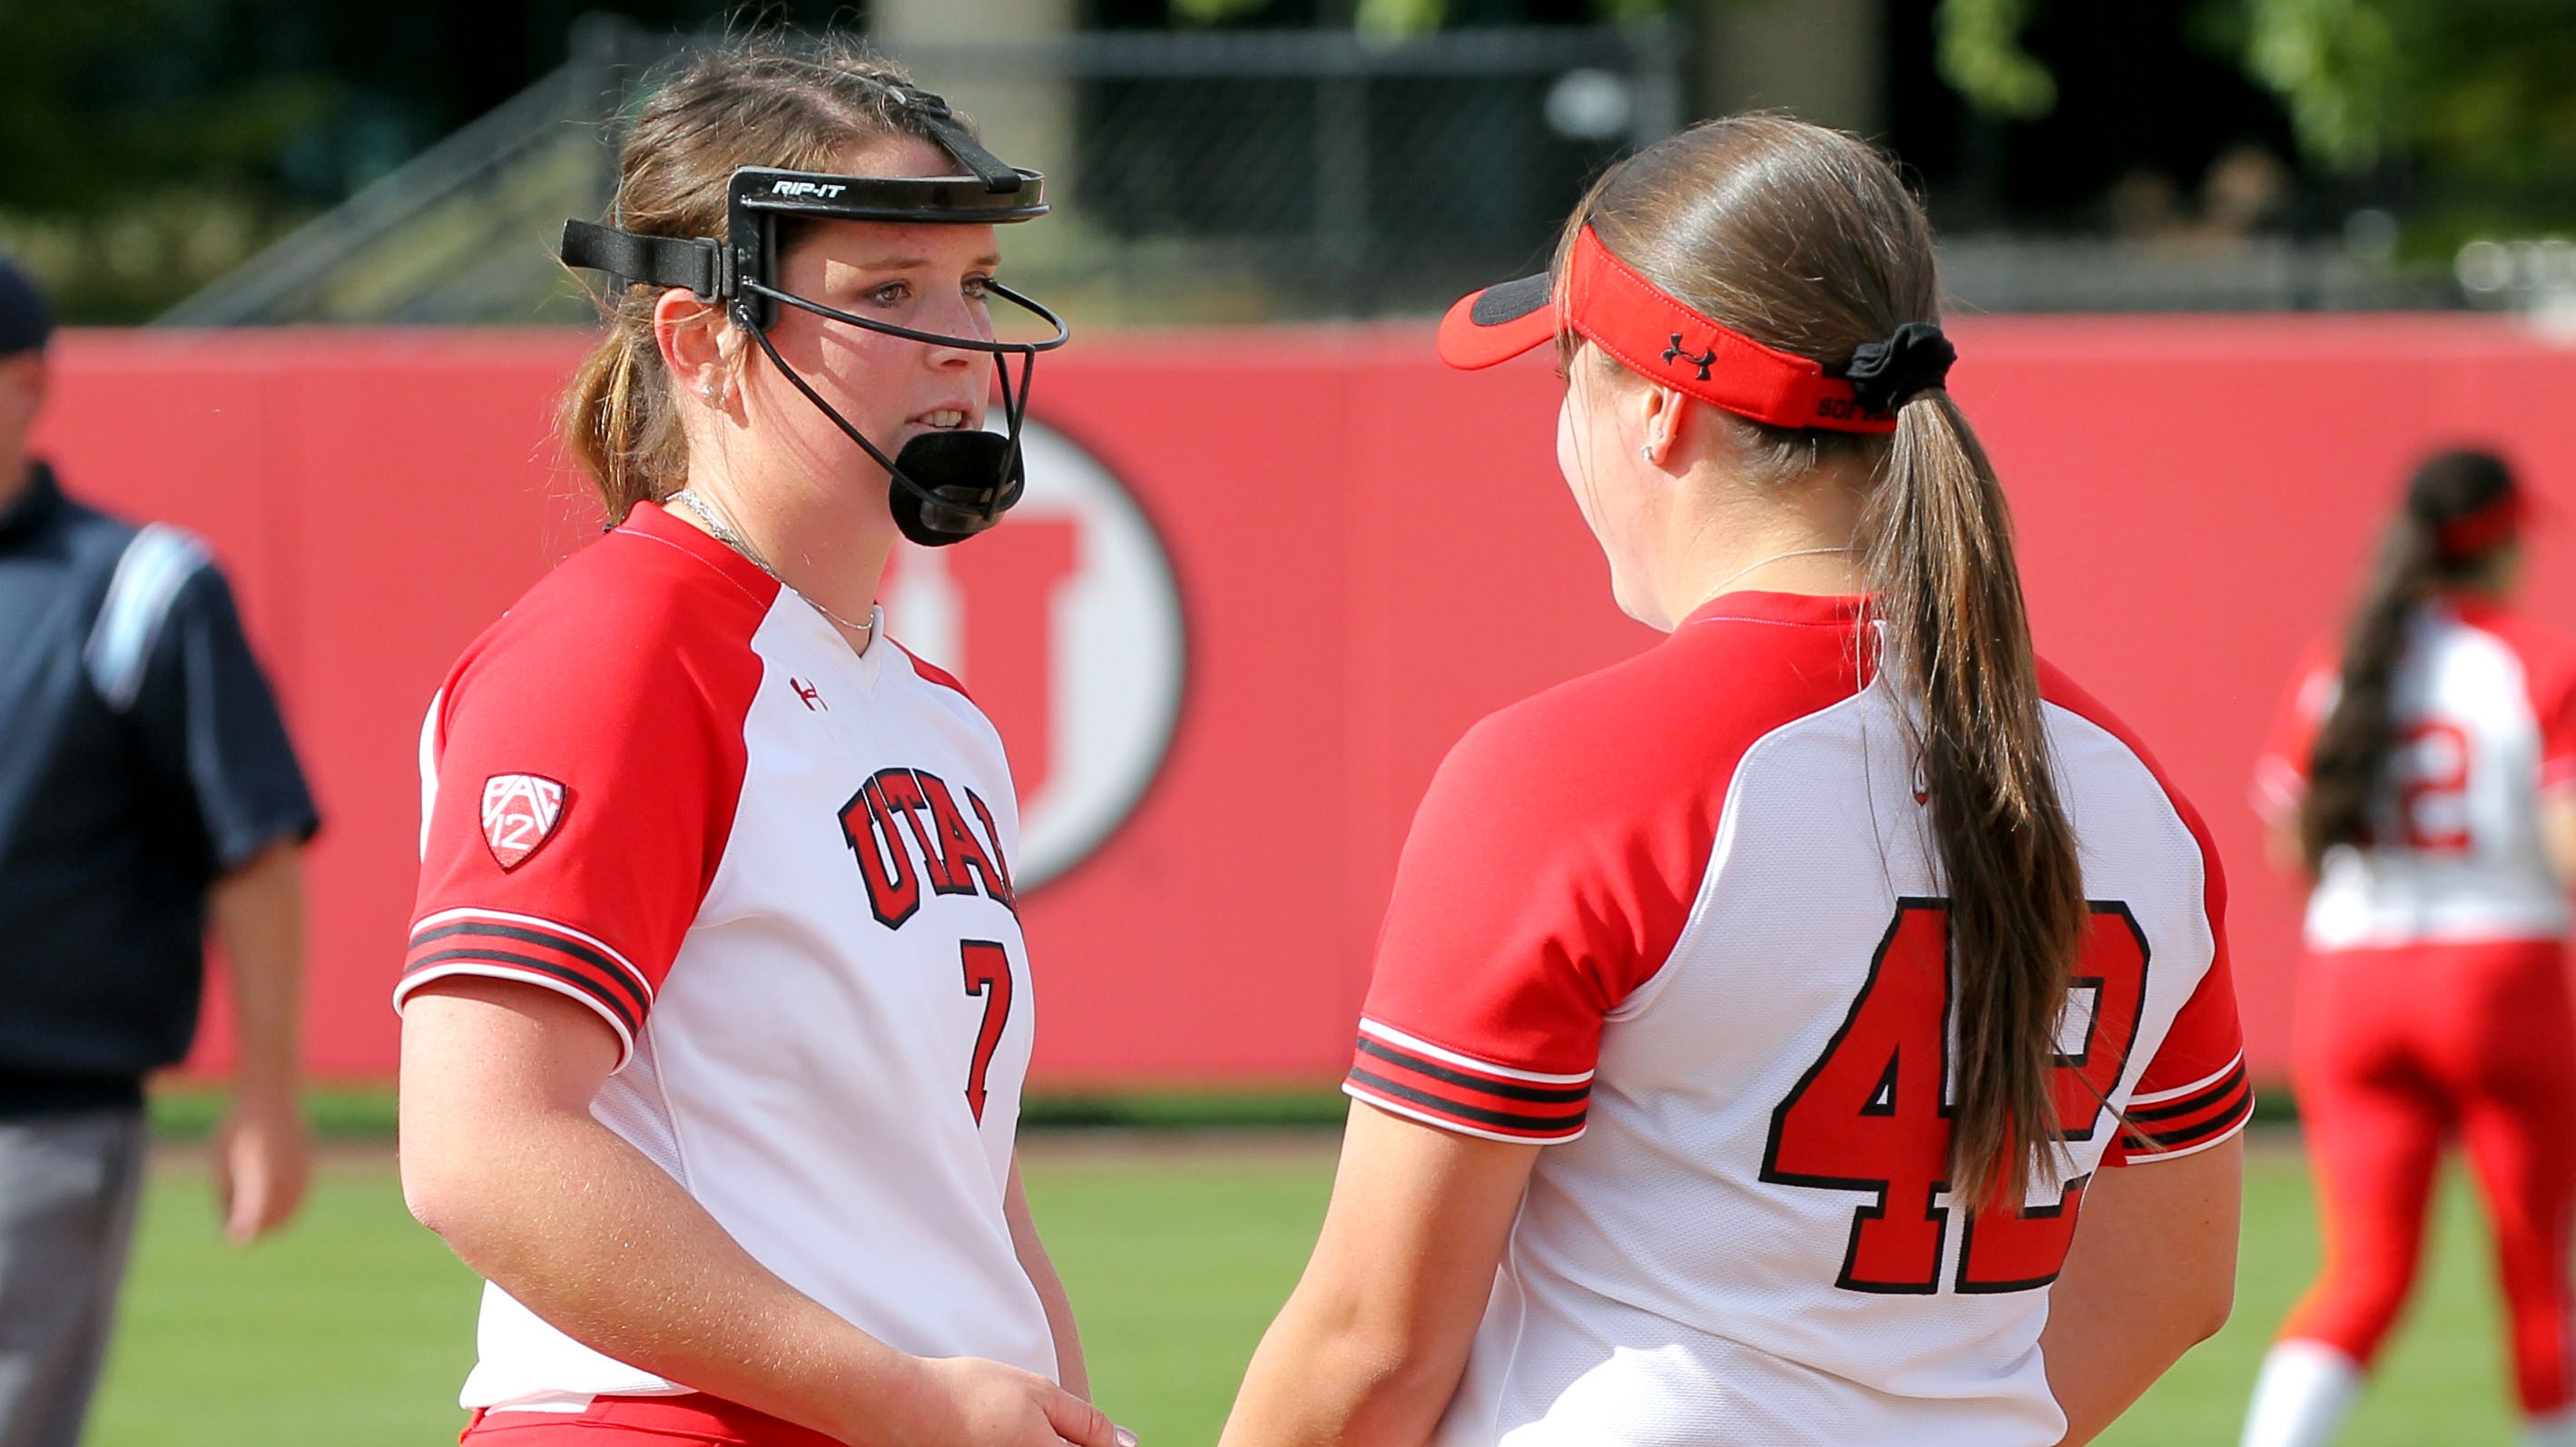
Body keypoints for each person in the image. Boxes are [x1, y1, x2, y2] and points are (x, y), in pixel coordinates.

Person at [1221, 114, 2250, 1447]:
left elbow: (1371, 1345)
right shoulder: (2128, 790)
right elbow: (2170, 1281)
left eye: (1564, 377)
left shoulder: (1567, 776)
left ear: (1655, 408)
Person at [393, 38, 1127, 1447]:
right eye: (886, 292)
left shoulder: (929, 713)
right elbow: (481, 1149)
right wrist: (909, 1400)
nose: (960, 341)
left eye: (970, 285)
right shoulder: (622, 651)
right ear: (701, 339)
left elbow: (960, 1187)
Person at [0, 252, 317, 1446]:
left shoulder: (137, 585)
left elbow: (251, 849)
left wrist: (267, 1090)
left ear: (27, 380)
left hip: (36, 1121)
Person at [2241, 449, 2576, 1447]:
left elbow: (2291, 837)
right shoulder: (2535, 658)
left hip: (2356, 978)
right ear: (2501, 539)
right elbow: (2565, 846)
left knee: (2366, 1273)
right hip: (2499, 974)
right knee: (2536, 1272)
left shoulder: (2349, 656)